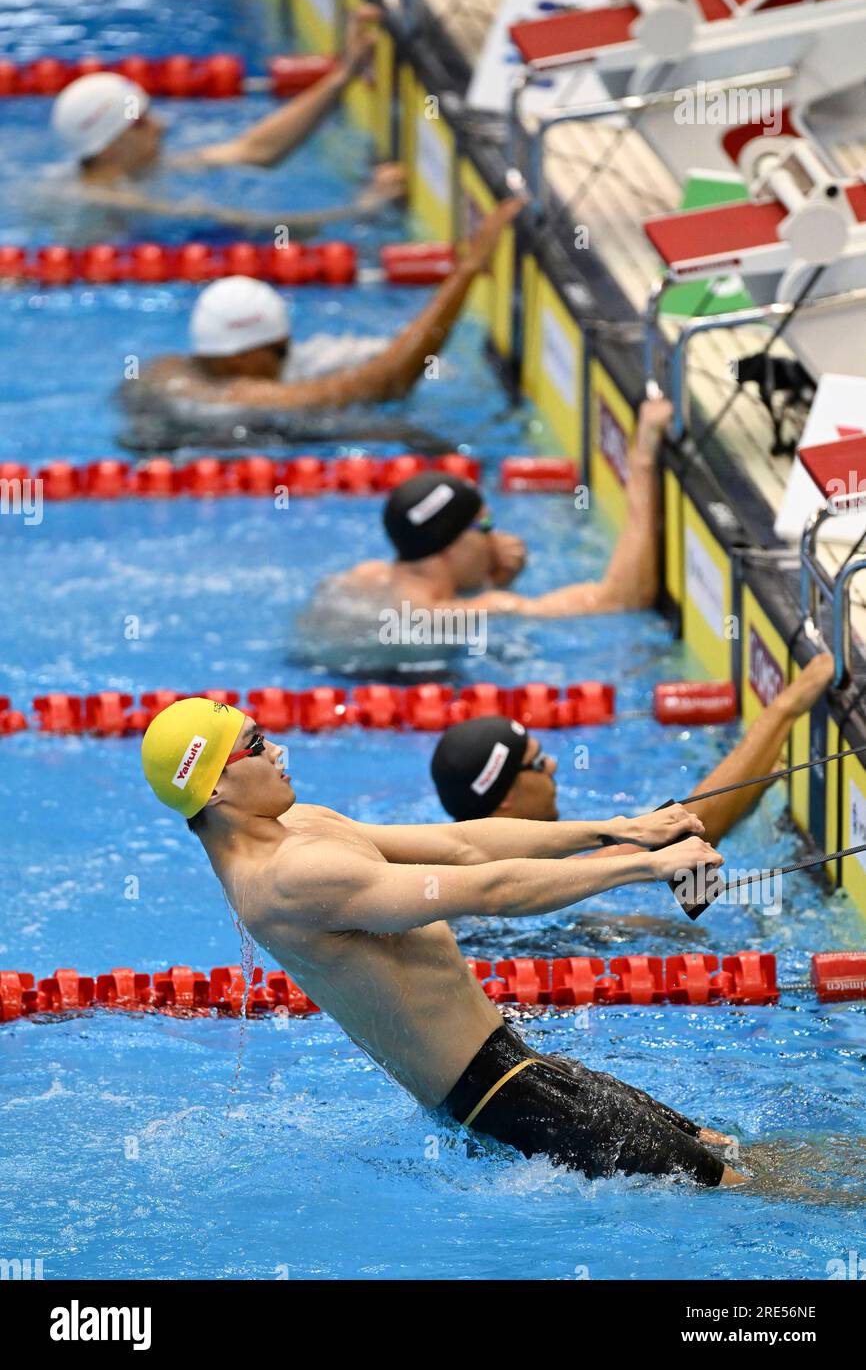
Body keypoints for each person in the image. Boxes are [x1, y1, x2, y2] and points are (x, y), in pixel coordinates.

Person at [140, 696, 742, 1187]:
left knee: (731, 1156)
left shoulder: (299, 825)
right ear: (214, 789)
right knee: (740, 1192)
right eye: (254, 746)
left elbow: (463, 847)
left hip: (521, 1067)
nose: (277, 750)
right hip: (506, 1103)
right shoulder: (288, 882)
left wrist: (621, 829)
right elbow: (490, 889)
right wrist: (641, 866)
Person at [296, 397, 669, 669]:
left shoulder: (362, 579)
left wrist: (493, 579)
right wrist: (644, 458)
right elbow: (623, 598)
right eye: (486, 527)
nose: (497, 537)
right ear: (451, 546)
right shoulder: (481, 612)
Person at [124, 197, 525, 426]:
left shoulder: (163, 372)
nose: (289, 355)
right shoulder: (245, 399)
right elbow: (386, 384)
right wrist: (468, 269)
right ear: (242, 357)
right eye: (280, 351)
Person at [48, 6, 402, 235]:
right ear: (109, 146)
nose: (162, 125)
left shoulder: (137, 173)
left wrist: (343, 76)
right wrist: (365, 209)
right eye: (141, 121)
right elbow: (256, 228)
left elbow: (253, 150)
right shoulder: (118, 201)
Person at [430, 654, 835, 841]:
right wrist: (785, 709)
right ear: (505, 798)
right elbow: (683, 832)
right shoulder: (512, 874)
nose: (552, 765)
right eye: (537, 762)